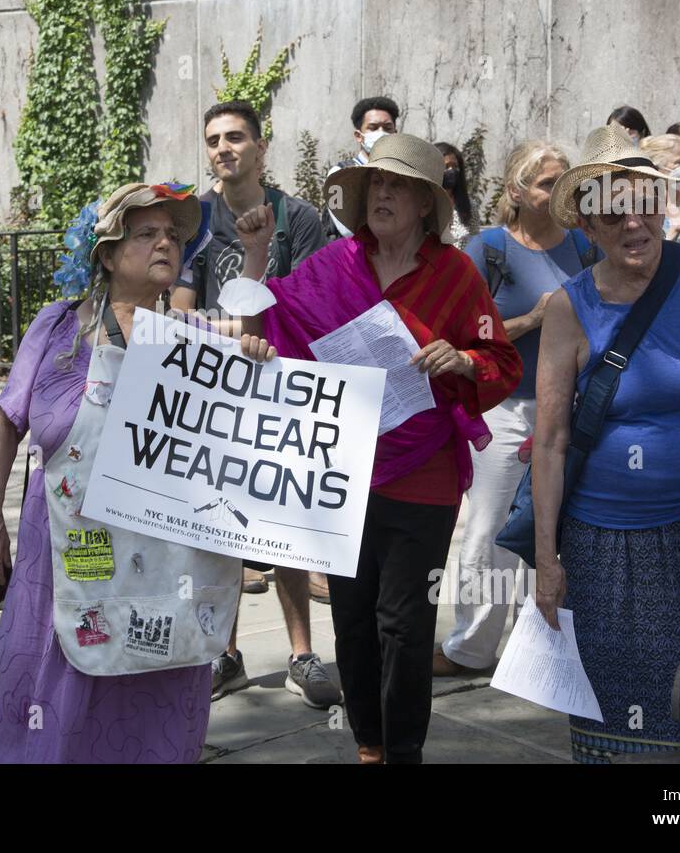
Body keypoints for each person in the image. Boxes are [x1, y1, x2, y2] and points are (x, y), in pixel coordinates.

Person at [230, 133, 522, 762]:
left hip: (424, 478)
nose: (382, 196)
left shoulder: (455, 273)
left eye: (397, 187)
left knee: (405, 624)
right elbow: (267, 326)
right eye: (374, 187)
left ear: (424, 205)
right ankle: (368, 746)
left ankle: (405, 751)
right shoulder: (334, 264)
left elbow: (503, 360)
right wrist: (255, 254)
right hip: (340, 475)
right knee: (354, 622)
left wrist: (464, 360)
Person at [533, 124, 680, 763]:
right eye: (611, 213)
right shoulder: (568, 307)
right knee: (624, 727)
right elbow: (552, 442)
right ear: (587, 225)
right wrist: (548, 561)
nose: (631, 226)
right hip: (606, 550)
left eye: (642, 205)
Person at [0, 183, 241, 763]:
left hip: (163, 561)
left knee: (154, 684)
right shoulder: (55, 329)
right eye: (147, 234)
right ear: (106, 252)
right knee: (52, 680)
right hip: (63, 548)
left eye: (173, 234)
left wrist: (256, 367)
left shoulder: (194, 343)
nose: (165, 243)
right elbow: (6, 423)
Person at [169, 101, 339, 708]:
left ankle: (302, 654)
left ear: (261, 147)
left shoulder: (298, 217)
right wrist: (232, 332)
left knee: (284, 528)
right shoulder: (192, 221)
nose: (223, 148)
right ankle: (225, 654)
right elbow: (182, 310)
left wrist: (271, 333)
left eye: (235, 137)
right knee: (219, 527)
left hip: (284, 390)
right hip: (216, 391)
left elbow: (319, 299)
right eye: (213, 138)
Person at [434, 140, 583, 678]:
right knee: (490, 528)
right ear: (517, 191)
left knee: (558, 528)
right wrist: (534, 320)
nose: (558, 191)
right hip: (502, 409)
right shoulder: (487, 249)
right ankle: (470, 648)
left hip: (566, 409)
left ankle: (540, 644)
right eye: (547, 183)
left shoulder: (586, 246)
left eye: (565, 181)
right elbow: (460, 336)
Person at [322, 97, 400, 239]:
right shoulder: (338, 175)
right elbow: (345, 228)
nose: (381, 133)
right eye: (373, 128)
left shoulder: (403, 175)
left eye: (387, 128)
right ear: (359, 136)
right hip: (349, 258)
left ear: (395, 134)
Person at [434, 141, 478, 242]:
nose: (451, 170)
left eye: (455, 166)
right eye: (446, 166)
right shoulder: (422, 206)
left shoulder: (470, 207)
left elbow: (475, 243)